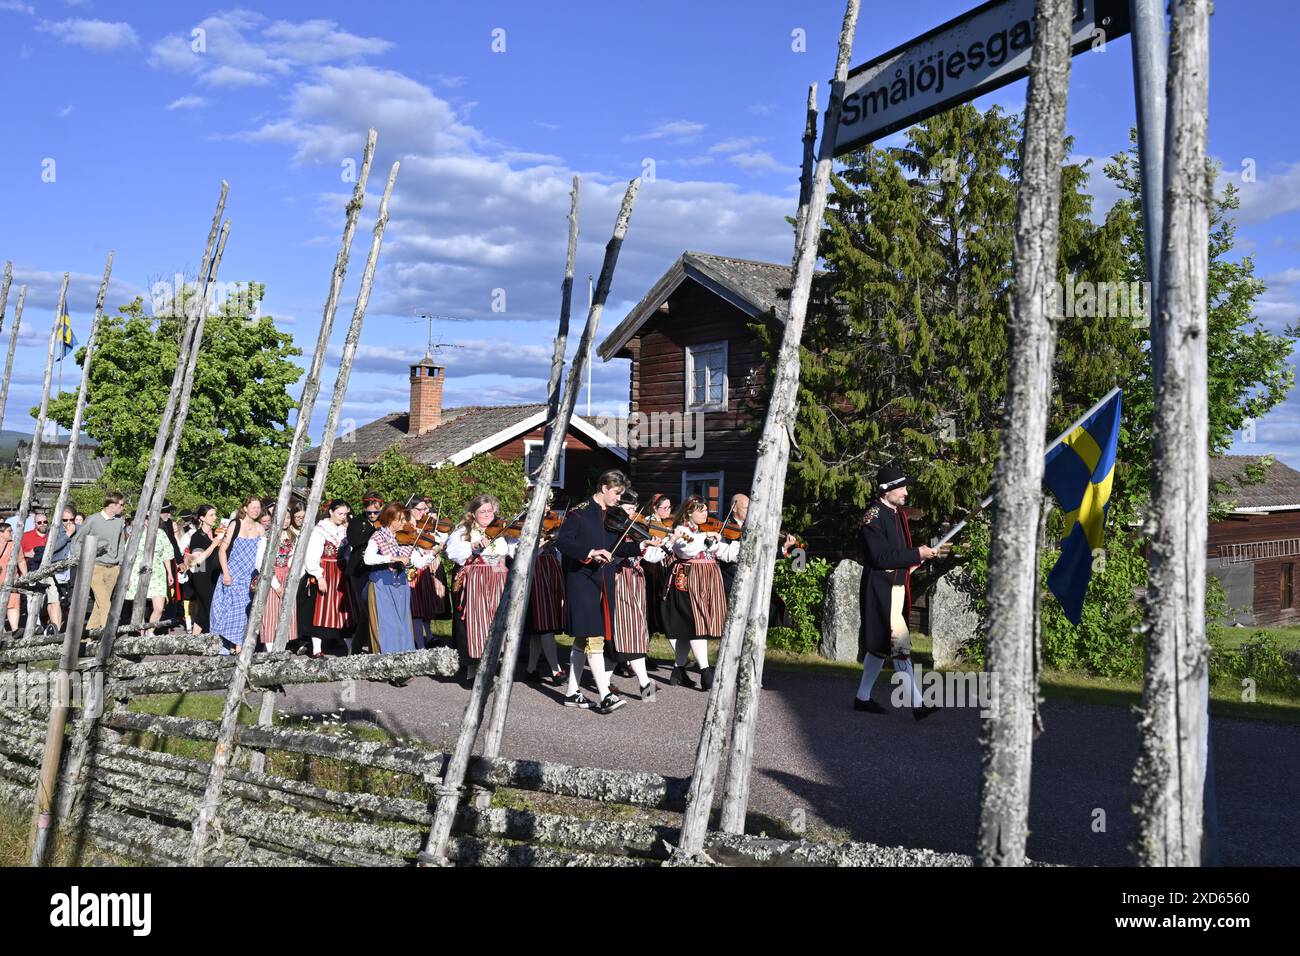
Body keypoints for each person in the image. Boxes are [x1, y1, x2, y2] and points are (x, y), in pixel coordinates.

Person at [854, 463, 941, 720]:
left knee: (880, 645)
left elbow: (898, 554)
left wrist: (917, 559)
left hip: (897, 588)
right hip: (881, 589)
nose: (905, 492)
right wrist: (916, 553)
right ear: (885, 491)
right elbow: (881, 558)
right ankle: (917, 703)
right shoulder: (872, 518)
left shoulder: (897, 514)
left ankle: (862, 698)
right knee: (899, 641)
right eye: (900, 488)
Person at [553, 470, 641, 713]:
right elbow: (564, 542)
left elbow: (617, 548)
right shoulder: (579, 511)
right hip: (581, 581)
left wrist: (641, 545)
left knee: (584, 637)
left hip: (603, 582)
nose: (618, 498)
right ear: (604, 488)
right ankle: (605, 695)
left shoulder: (612, 515)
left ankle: (572, 693)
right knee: (594, 637)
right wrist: (591, 553)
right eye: (616, 493)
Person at [446, 494, 518, 684]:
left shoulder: (503, 530)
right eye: (482, 511)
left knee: (498, 624)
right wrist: (474, 545)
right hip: (477, 581)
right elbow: (452, 553)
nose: (487, 514)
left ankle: (492, 669)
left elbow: (514, 551)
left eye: (489, 511)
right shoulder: (465, 530)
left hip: (500, 580)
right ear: (473, 514)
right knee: (476, 625)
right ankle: (472, 673)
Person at [663, 495, 729, 689]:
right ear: (688, 513)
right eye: (700, 510)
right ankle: (705, 671)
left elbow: (723, 553)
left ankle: (678, 670)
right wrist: (707, 538)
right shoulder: (681, 531)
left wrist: (744, 549)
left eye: (706, 509)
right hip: (689, 581)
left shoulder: (706, 532)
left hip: (707, 581)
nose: (705, 513)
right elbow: (688, 551)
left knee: (688, 629)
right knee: (696, 624)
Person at [607, 491, 663, 702]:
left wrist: (664, 547)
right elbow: (616, 553)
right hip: (620, 583)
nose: (632, 515)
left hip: (636, 583)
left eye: (633, 510)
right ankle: (643, 685)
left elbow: (651, 558)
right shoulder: (613, 532)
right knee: (627, 635)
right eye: (628, 510)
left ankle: (610, 684)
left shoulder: (636, 531)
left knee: (633, 635)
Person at [209, 496, 266, 654]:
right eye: (253, 507)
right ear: (245, 508)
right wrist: (226, 573)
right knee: (225, 611)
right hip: (231, 572)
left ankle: (238, 647)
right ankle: (224, 647)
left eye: (258, 507)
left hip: (248, 577)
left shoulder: (260, 529)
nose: (256, 510)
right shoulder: (235, 524)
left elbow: (262, 556)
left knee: (241, 614)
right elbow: (222, 550)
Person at [363, 502, 420, 660]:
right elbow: (368, 558)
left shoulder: (405, 537)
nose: (404, 523)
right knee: (387, 625)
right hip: (382, 584)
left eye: (404, 520)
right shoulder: (378, 535)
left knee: (403, 625)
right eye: (400, 520)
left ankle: (404, 660)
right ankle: (386, 661)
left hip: (400, 584)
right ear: (389, 520)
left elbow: (418, 562)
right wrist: (393, 557)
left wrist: (433, 552)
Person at [303, 500, 355, 658]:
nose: (343, 517)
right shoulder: (320, 531)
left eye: (345, 514)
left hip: (342, 572)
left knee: (345, 609)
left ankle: (350, 649)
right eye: (340, 513)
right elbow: (311, 557)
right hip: (327, 572)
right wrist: (319, 576)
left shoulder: (344, 530)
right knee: (321, 610)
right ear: (331, 512)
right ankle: (317, 649)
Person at [74, 492, 127, 631]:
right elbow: (77, 541)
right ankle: (107, 636)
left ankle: (88, 638)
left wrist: (121, 566)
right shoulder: (93, 520)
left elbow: (120, 545)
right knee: (105, 603)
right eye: (121, 505)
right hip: (95, 567)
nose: (123, 507)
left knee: (100, 605)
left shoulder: (119, 522)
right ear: (111, 505)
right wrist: (81, 562)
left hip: (113, 569)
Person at [259, 502, 304, 651]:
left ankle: (278, 648)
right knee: (270, 614)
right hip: (271, 576)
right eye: (282, 518)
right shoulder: (267, 536)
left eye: (287, 518)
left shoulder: (291, 535)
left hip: (286, 574)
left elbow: (294, 558)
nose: (285, 521)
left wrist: (294, 577)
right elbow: (260, 563)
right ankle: (270, 649)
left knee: (285, 613)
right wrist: (276, 584)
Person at [407, 497, 451, 649]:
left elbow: (441, 539)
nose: (424, 513)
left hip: (424, 570)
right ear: (410, 509)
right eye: (420, 509)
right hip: (412, 571)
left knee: (425, 608)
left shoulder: (426, 526)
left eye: (425, 509)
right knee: (416, 610)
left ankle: (426, 639)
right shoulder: (405, 527)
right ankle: (419, 645)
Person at [20, 510, 62, 632]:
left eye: (45, 522)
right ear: (35, 523)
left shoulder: (52, 535)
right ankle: (35, 625)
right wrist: (30, 554)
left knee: (54, 598)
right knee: (32, 598)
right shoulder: (26, 536)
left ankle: (55, 628)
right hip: (33, 570)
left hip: (49, 571)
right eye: (39, 522)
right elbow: (19, 553)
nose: (42, 524)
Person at [183, 505, 221, 635]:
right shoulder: (197, 536)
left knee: (204, 612)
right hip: (202, 577)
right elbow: (198, 561)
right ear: (202, 518)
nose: (215, 517)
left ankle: (193, 639)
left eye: (215, 514)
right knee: (209, 608)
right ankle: (213, 639)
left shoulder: (217, 533)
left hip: (216, 576)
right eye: (211, 515)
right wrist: (214, 544)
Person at [1, 524, 27, 632]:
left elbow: (21, 561)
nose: (11, 533)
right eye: (8, 531)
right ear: (1, 533)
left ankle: (15, 630)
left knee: (13, 604)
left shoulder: (15, 545)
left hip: (12, 581)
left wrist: (25, 577)